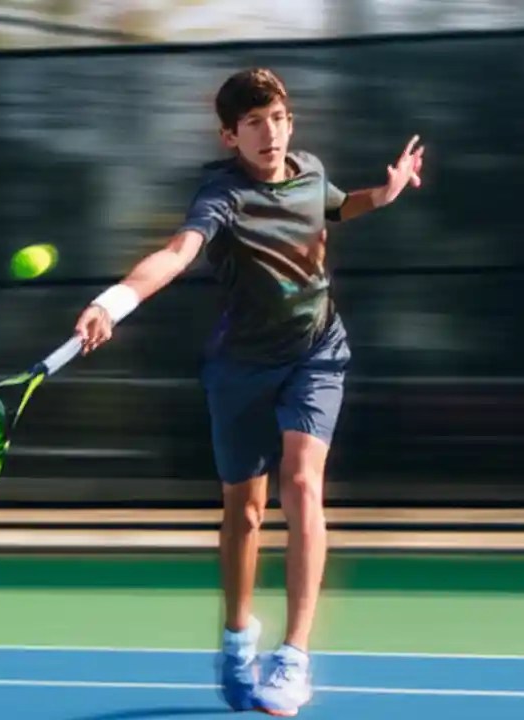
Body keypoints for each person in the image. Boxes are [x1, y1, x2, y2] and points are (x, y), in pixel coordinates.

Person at [73, 68, 424, 715]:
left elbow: (339, 205)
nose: (271, 132)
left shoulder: (309, 169)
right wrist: (115, 301)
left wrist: (388, 191)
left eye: (279, 118)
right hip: (240, 368)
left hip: (317, 352)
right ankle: (238, 636)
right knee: (247, 512)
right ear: (230, 136)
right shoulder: (221, 197)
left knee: (302, 485)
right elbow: (178, 254)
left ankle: (293, 656)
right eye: (255, 123)